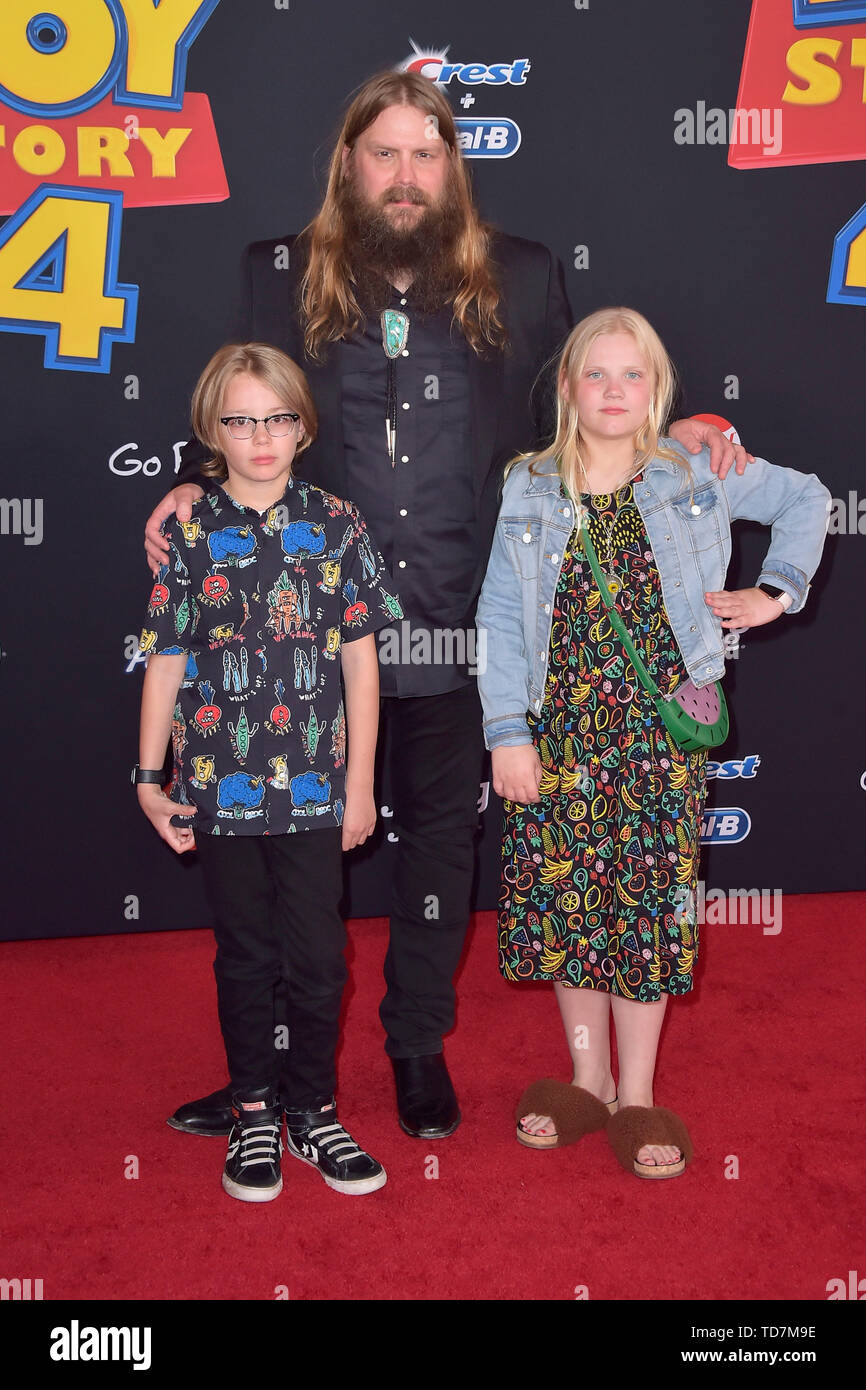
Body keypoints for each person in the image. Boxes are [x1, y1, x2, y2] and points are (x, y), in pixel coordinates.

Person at [144, 70, 751, 1142]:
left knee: (436, 850)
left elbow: (593, 415)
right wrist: (197, 478)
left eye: (427, 156)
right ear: (347, 163)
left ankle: (415, 1048)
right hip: (300, 641)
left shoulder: (519, 277)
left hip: (468, 622)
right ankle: (272, 1076)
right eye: (385, 154)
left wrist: (686, 427)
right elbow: (244, 403)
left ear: (451, 169)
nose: (407, 176)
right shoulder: (273, 274)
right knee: (285, 868)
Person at [476, 307, 829, 1178]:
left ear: (658, 391)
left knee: (642, 910)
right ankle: (587, 1075)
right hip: (557, 736)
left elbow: (807, 500)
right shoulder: (529, 483)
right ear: (567, 387)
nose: (613, 391)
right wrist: (506, 733)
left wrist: (774, 592)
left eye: (632, 376)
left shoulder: (694, 470)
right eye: (595, 374)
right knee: (569, 910)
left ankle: (636, 1093)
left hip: (657, 742)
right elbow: (500, 618)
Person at [136, 342, 396, 1201]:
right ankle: (253, 1112)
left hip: (320, 791)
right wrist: (148, 777)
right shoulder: (190, 531)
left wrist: (361, 785)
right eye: (241, 421)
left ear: (301, 425)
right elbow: (166, 660)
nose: (260, 437)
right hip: (218, 787)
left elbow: (361, 667)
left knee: (320, 958)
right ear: (213, 428)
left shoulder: (340, 525)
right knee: (245, 956)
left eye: (276, 418)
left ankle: (312, 1110)